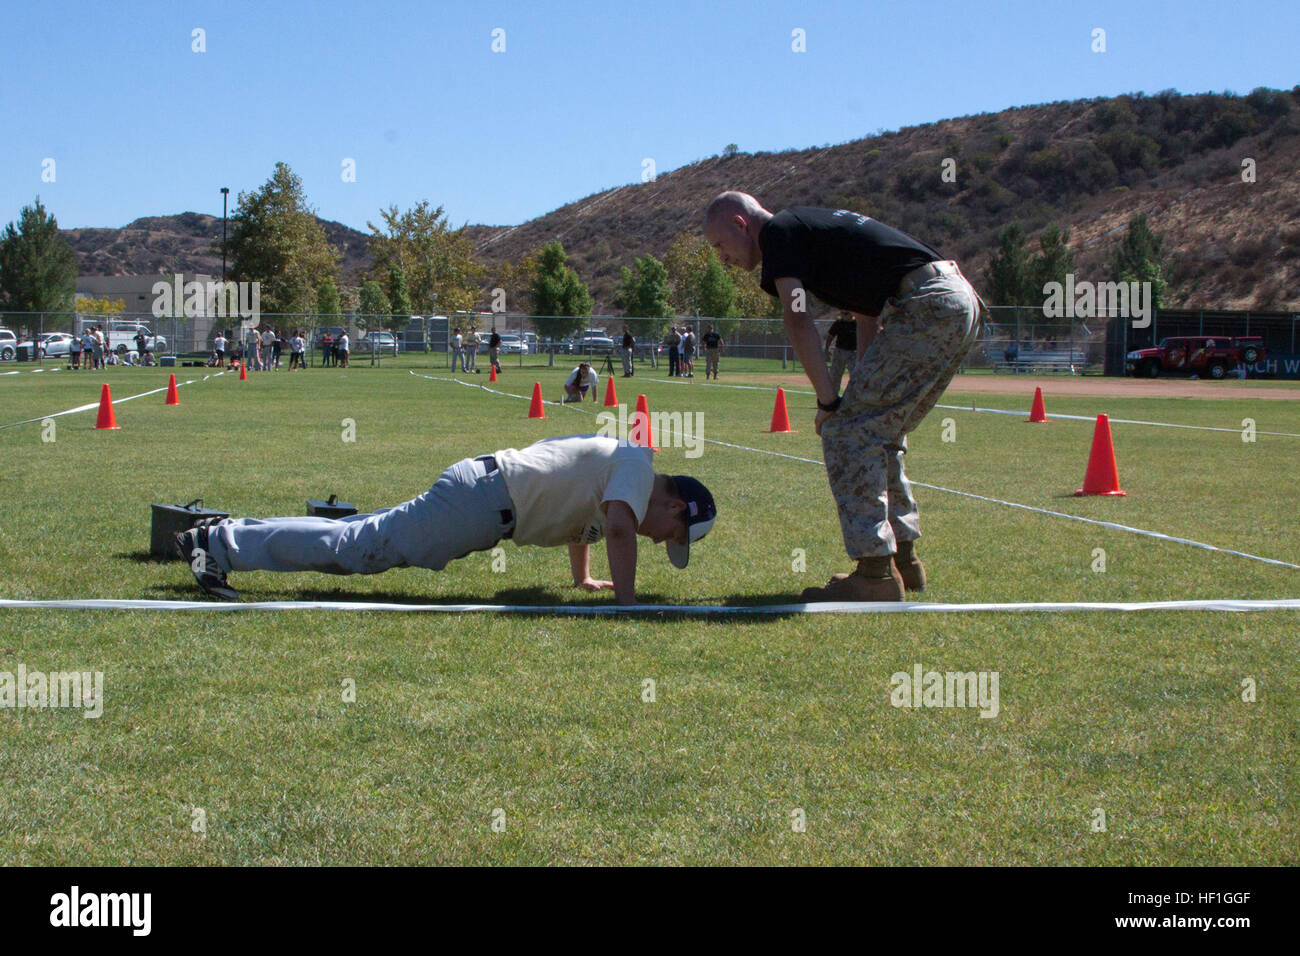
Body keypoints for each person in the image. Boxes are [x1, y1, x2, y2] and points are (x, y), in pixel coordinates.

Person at [704, 190, 983, 602]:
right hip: (952, 298)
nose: (721, 258)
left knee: (845, 432)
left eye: (719, 245)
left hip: (926, 305)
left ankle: (874, 574)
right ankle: (904, 563)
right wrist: (853, 396)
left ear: (741, 224)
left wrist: (829, 402)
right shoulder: (808, 233)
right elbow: (867, 314)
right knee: (877, 430)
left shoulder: (779, 232)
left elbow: (797, 321)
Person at [174, 434, 717, 606]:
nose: (661, 539)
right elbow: (620, 528)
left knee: (358, 539)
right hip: (480, 502)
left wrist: (582, 578)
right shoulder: (636, 468)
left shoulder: (627, 477)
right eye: (671, 534)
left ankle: (223, 537)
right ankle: (218, 544)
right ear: (674, 507)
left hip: (481, 501)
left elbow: (591, 525)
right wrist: (627, 603)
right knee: (356, 549)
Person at [825, 311, 858, 388]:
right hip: (839, 352)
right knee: (835, 376)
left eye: (846, 314)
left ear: (852, 314)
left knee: (855, 376)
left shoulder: (857, 323)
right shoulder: (838, 323)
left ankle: (853, 396)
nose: (844, 316)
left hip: (853, 353)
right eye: (842, 313)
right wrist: (826, 349)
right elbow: (830, 337)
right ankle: (834, 396)